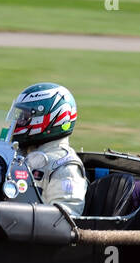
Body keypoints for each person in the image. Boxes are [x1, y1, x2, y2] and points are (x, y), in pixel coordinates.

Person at [5, 82, 87, 215]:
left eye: (25, 116)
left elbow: (65, 218)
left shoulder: (65, 166)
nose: (18, 121)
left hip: (30, 233)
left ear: (50, 118)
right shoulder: (20, 153)